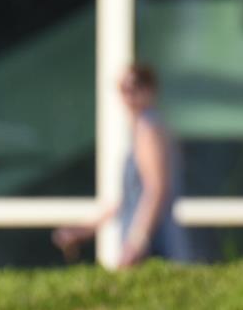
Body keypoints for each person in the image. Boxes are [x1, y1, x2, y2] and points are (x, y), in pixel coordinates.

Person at [53, 64, 192, 268]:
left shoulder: (148, 128)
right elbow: (126, 199)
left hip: (153, 240)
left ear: (150, 90)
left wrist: (137, 241)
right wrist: (84, 229)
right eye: (123, 89)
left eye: (134, 87)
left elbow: (156, 188)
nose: (128, 96)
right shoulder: (140, 129)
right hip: (141, 235)